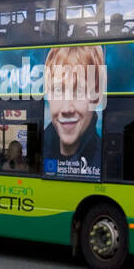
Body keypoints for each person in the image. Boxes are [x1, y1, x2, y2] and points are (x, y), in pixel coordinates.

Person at [43, 45, 104, 178]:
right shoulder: (37, 151)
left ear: (97, 97)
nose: (66, 109)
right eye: (58, 90)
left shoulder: (103, 160)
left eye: (79, 91)